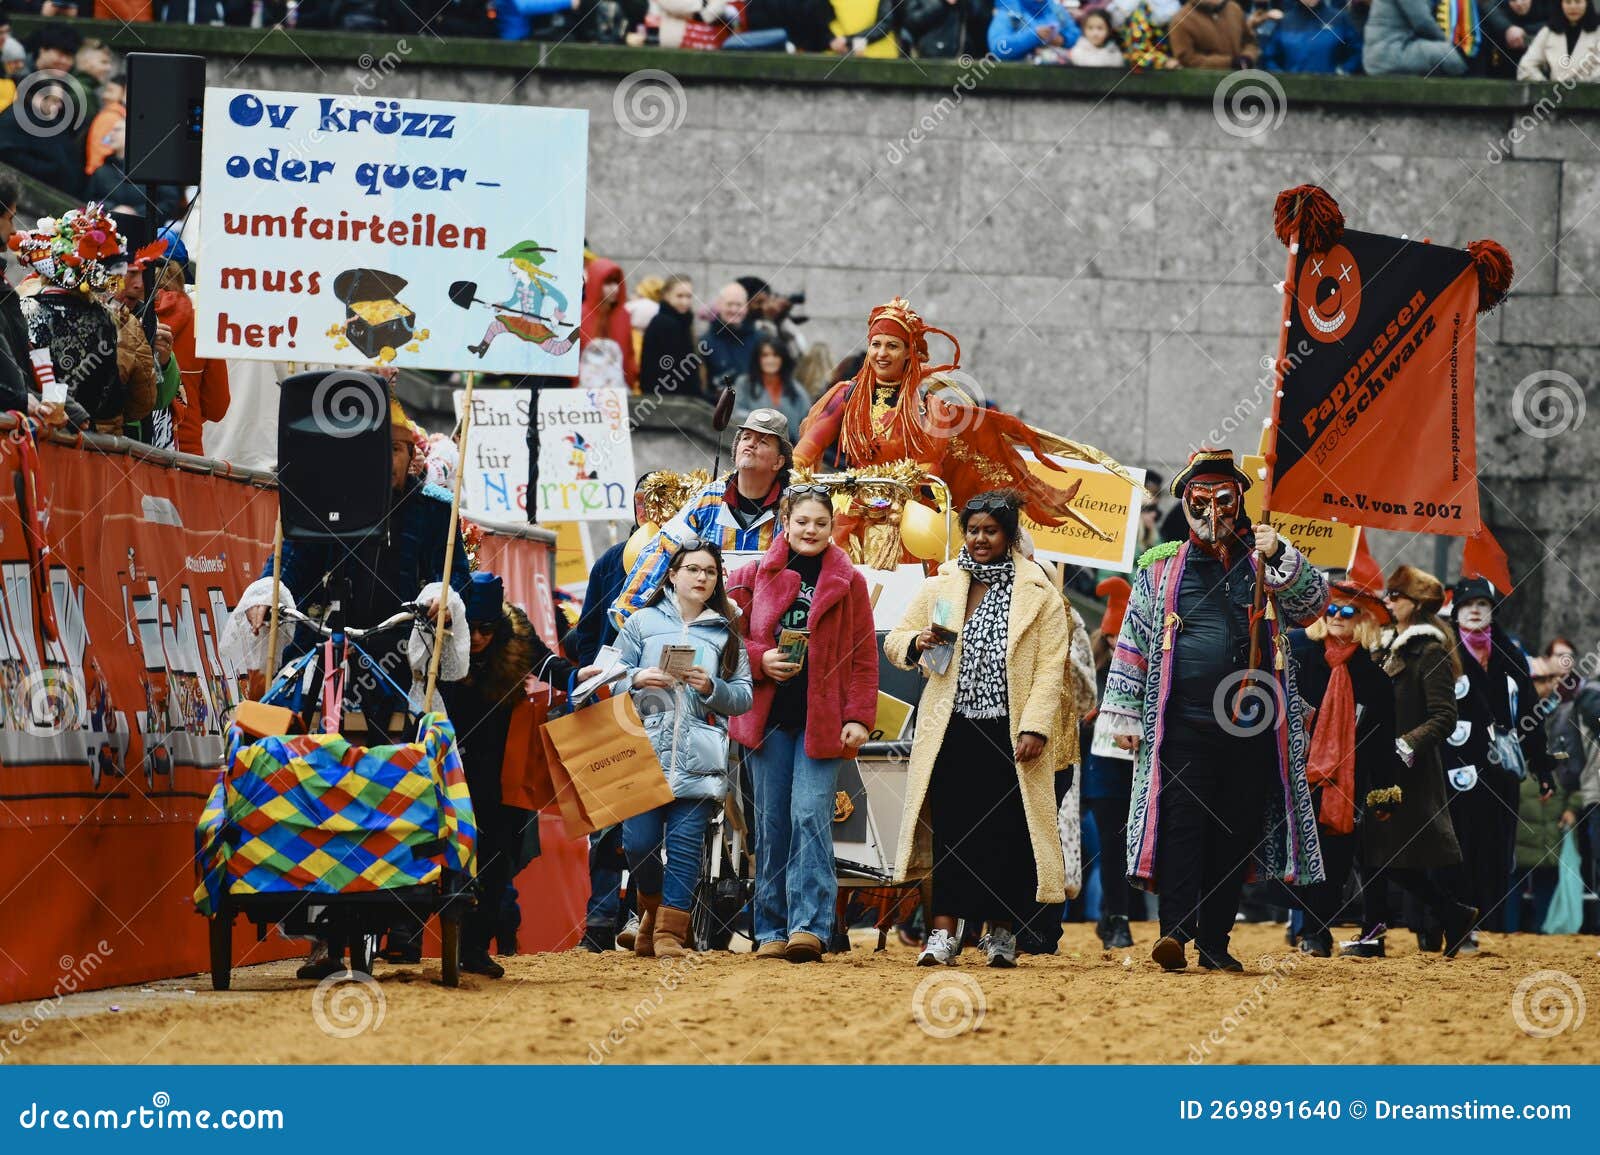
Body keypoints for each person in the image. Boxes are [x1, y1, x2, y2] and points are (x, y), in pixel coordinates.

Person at [1100, 448, 1328, 973]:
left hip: (1254, 725)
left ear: (1240, 503)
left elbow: (1312, 606)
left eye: (1223, 501)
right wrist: (1125, 712)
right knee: (1182, 826)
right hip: (1181, 724)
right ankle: (1175, 932)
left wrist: (1283, 557)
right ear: (1186, 505)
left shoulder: (1264, 560)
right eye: (1200, 503)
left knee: (1235, 831)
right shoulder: (1160, 568)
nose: (1212, 513)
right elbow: (1133, 640)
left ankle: (1216, 943)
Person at [883, 490, 1072, 968]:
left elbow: (1052, 668)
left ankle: (1001, 933)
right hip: (952, 730)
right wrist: (916, 641)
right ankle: (942, 935)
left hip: (1011, 736)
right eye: (973, 530)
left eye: (990, 530)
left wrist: (1036, 727)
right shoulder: (942, 585)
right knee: (953, 832)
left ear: (1008, 535)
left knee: (1008, 834)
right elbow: (895, 639)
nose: (980, 539)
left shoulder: (1040, 593)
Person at [794, 296, 1128, 529]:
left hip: (907, 520)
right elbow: (808, 447)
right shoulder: (845, 397)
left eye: (892, 345)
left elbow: (930, 465)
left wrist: (891, 492)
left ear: (909, 354)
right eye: (876, 344)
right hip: (850, 516)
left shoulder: (929, 409)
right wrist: (798, 479)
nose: (882, 353)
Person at [727, 484, 878, 963]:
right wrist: (760, 659)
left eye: (820, 523)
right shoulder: (752, 575)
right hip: (768, 721)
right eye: (802, 522)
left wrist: (858, 717)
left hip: (823, 723)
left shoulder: (848, 581)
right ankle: (769, 928)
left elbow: (864, 657)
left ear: (832, 527)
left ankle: (809, 926)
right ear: (785, 525)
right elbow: (725, 645)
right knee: (770, 824)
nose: (810, 530)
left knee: (811, 816)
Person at [616, 542, 753, 959]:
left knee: (686, 846)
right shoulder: (640, 623)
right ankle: (651, 913)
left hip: (699, 756)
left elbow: (744, 697)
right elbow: (609, 677)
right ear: (672, 575)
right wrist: (638, 678)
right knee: (637, 843)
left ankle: (669, 936)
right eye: (693, 569)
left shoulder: (726, 634)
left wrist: (712, 688)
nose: (702, 578)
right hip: (642, 751)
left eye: (710, 572)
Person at [439, 572, 580, 978]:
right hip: (451, 763)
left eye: (488, 629)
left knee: (499, 858)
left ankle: (477, 947)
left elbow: (547, 662)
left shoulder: (515, 635)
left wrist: (575, 677)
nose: (479, 637)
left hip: (503, 767)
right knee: (445, 852)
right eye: (472, 629)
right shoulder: (440, 637)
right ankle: (410, 938)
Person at [1285, 582, 1402, 956]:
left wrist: (1384, 791)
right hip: (1302, 774)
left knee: (1334, 861)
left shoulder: (1376, 679)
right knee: (1303, 854)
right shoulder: (1301, 659)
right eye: (1331, 609)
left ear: (1363, 621)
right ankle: (1310, 930)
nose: (1337, 616)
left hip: (1351, 781)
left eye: (1348, 611)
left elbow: (1385, 741)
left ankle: (1318, 933)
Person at [1440, 575, 1556, 936]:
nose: (1475, 610)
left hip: (1500, 770)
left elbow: (1530, 715)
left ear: (1492, 611)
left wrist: (1541, 764)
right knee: (1457, 845)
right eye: (1469, 604)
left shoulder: (1510, 654)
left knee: (1493, 848)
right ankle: (1451, 920)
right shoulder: (1442, 651)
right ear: (1456, 610)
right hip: (1452, 767)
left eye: (1483, 604)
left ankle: (1480, 921)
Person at [611, 408, 792, 624]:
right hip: (705, 626)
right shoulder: (709, 498)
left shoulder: (790, 507)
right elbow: (664, 548)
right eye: (746, 437)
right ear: (735, 452)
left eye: (763, 442)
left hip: (767, 629)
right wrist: (630, 608)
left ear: (779, 462)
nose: (751, 444)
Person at [1085, 576, 1138, 949]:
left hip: (1140, 765)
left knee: (1137, 846)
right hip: (1104, 768)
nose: (1116, 644)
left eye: (1121, 636)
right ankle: (1118, 919)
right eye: (1109, 638)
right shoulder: (1093, 671)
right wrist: (1090, 716)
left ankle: (1112, 913)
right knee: (1112, 844)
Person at [730, 336, 811, 444]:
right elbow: (735, 413)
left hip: (787, 451)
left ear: (782, 359)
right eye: (765, 355)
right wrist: (766, 422)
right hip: (751, 445)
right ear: (758, 359)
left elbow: (807, 426)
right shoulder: (744, 383)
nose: (770, 360)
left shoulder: (797, 391)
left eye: (775, 355)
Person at [638, 273, 702, 399]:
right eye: (680, 296)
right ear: (666, 295)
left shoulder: (682, 321)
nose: (685, 301)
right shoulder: (666, 323)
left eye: (689, 296)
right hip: (668, 399)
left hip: (672, 397)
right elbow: (674, 370)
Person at [1362, 0, 1467, 74]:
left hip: (1384, 55)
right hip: (1390, 53)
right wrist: (1450, 45)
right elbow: (1423, 23)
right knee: (1453, 56)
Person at [581, 255, 637, 390]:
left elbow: (629, 353)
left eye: (616, 283)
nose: (614, 289)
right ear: (595, 283)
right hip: (584, 392)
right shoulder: (580, 315)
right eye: (607, 283)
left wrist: (630, 379)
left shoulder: (623, 315)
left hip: (618, 391)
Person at [1261, 0, 1363, 71]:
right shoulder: (1285, 22)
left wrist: (1343, 72)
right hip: (1293, 95)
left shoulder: (1340, 19)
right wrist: (1282, 78)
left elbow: (1356, 51)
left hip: (1331, 92)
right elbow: (1269, 57)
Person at [1517, 0, 1600, 80]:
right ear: (1561, 4)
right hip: (1555, 92)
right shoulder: (1548, 32)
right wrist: (1544, 86)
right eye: (1568, 2)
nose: (1573, 7)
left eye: (1578, 2)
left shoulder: (1597, 32)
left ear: (1587, 4)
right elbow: (1526, 65)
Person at [701, 281, 756, 399]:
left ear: (746, 307)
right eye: (729, 304)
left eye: (739, 305)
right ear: (719, 306)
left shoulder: (760, 339)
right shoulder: (705, 342)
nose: (734, 309)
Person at [1166, 0, 1262, 67]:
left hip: (1242, 85)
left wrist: (1248, 57)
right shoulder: (1180, 20)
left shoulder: (1234, 9)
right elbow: (1187, 60)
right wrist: (1230, 63)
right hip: (1204, 88)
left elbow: (1250, 42)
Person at [989, 0, 1081, 62]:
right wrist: (1034, 36)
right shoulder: (1008, 9)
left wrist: (1063, 39)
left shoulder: (1055, 8)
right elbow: (998, 48)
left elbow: (1074, 33)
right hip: (1019, 77)